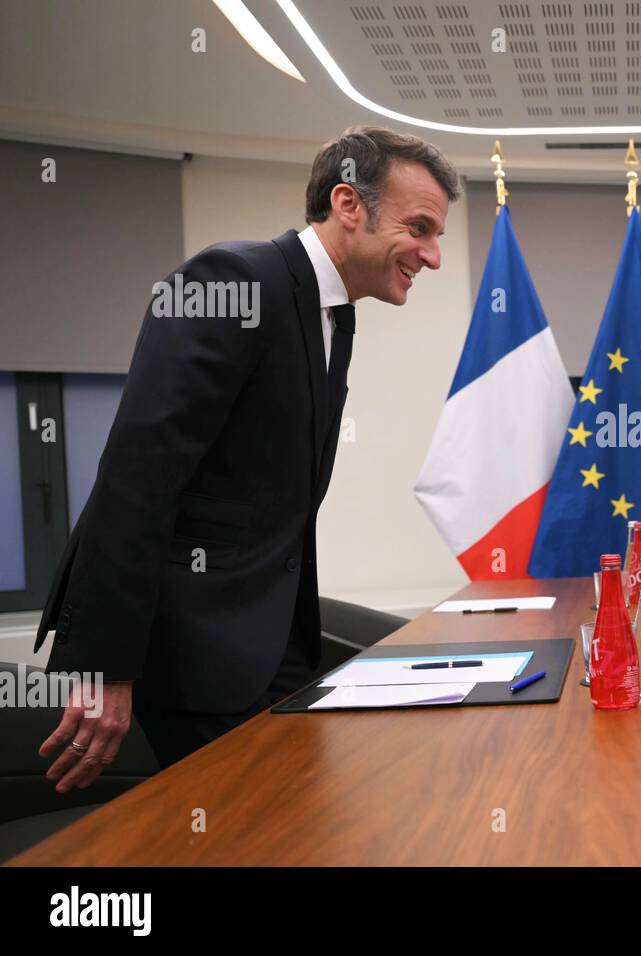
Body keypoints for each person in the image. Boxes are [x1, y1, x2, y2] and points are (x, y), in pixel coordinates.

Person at [35, 126, 460, 782]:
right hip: (184, 654)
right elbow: (137, 477)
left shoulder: (338, 318)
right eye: (422, 228)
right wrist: (106, 666)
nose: (433, 256)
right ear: (349, 205)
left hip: (271, 650)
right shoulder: (235, 280)